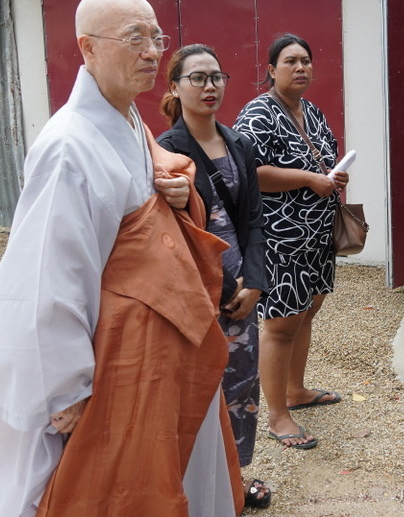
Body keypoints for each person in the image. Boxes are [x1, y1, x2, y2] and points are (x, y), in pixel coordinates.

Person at [0, 0, 245, 517]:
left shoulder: (126, 120)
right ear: (88, 48)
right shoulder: (68, 146)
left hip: (167, 344)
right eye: (134, 38)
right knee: (115, 488)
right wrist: (66, 388)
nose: (151, 51)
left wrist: (177, 188)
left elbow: (160, 176)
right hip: (116, 361)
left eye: (156, 37)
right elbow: (51, 276)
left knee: (174, 470)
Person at [158, 43, 272, 508]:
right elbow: (170, 235)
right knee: (200, 388)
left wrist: (256, 280)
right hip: (198, 294)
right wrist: (227, 286)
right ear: (175, 87)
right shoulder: (167, 151)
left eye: (216, 77)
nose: (209, 86)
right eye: (197, 78)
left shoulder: (238, 142)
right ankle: (195, 486)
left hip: (244, 290)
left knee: (243, 386)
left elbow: (254, 219)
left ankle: (233, 479)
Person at [234, 33, 349, 450]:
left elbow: (323, 162)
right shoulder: (258, 114)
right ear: (271, 70)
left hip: (315, 236)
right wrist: (308, 179)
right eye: (290, 61)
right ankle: (277, 415)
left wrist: (333, 177)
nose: (300, 68)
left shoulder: (311, 112)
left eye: (306, 60)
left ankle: (295, 391)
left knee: (307, 312)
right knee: (280, 325)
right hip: (279, 238)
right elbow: (249, 171)